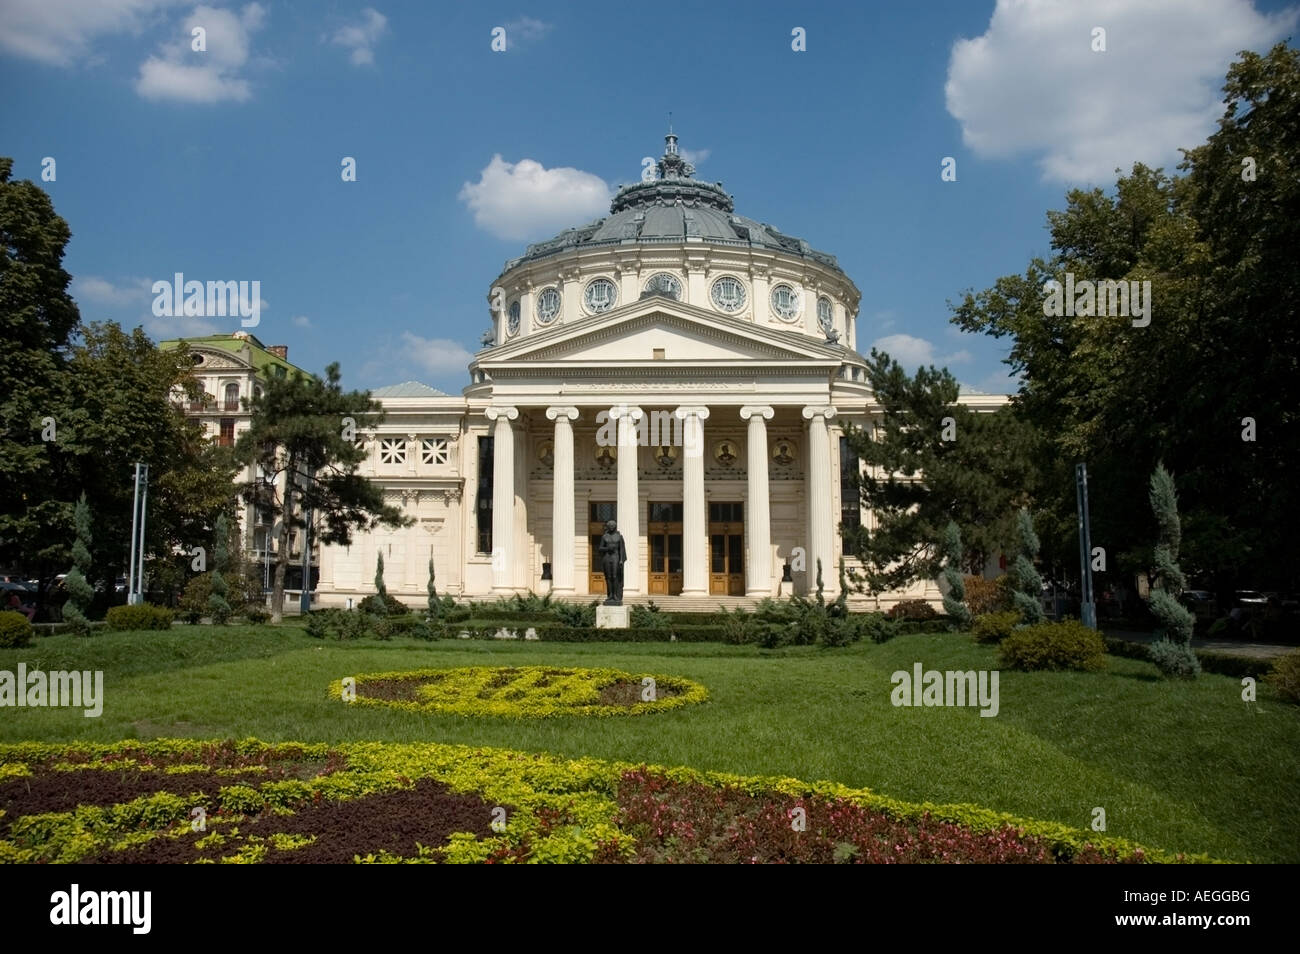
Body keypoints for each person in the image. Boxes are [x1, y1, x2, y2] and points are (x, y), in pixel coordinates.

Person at [598, 520, 627, 605]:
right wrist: (607, 549)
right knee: (608, 577)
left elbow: (621, 549)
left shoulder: (619, 537)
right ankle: (610, 595)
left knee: (615, 576)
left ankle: (616, 595)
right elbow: (600, 548)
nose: (610, 527)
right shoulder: (605, 537)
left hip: (616, 557)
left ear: (615, 526)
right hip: (607, 557)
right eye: (609, 525)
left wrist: (621, 560)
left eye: (612, 525)